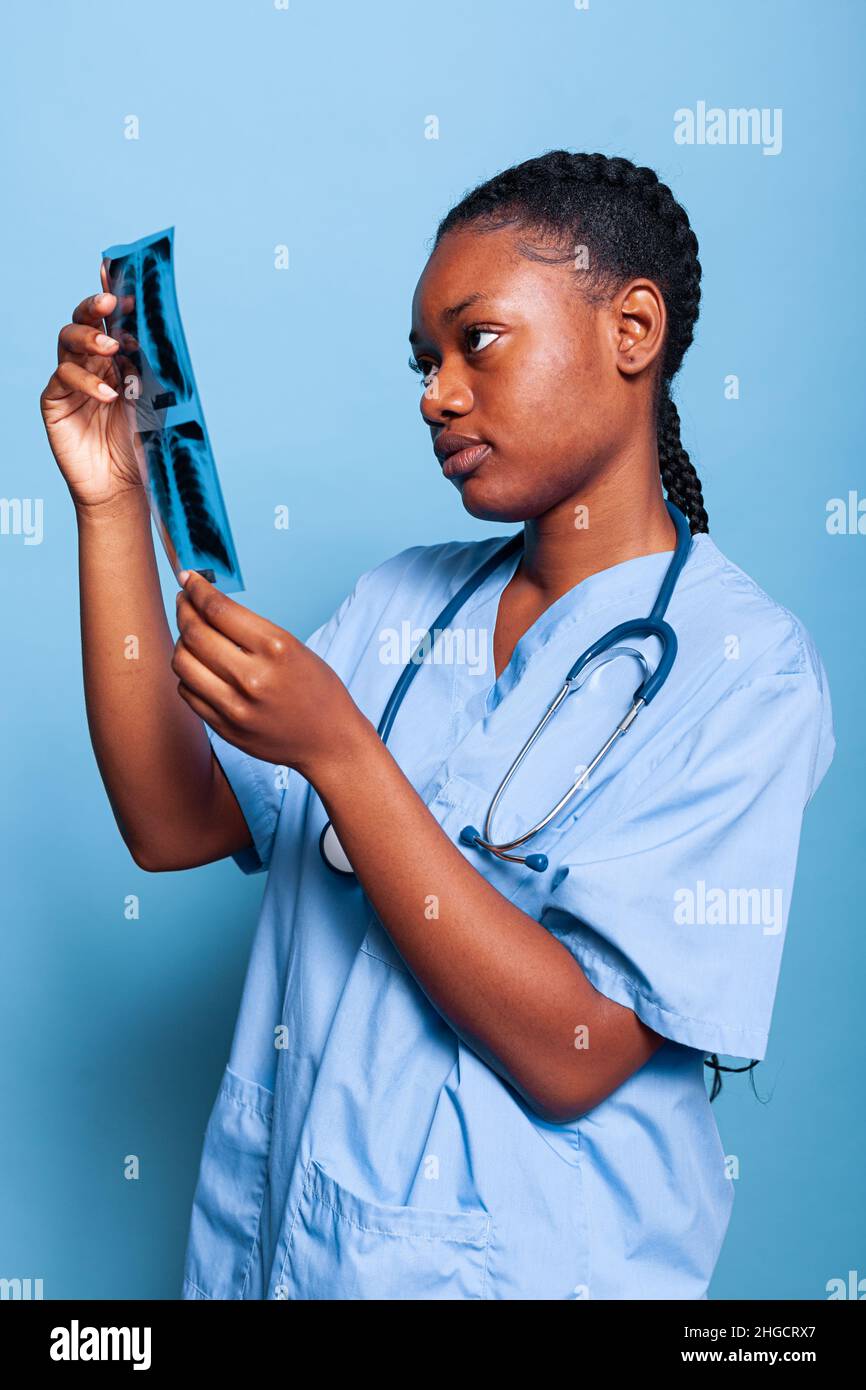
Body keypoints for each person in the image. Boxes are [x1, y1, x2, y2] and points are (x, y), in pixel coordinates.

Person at [40, 151, 835, 1300]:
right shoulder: (399, 604)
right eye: (423, 362)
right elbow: (170, 822)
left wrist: (340, 752)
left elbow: (575, 1055)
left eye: (478, 341)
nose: (435, 394)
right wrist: (110, 501)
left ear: (631, 329)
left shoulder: (741, 670)